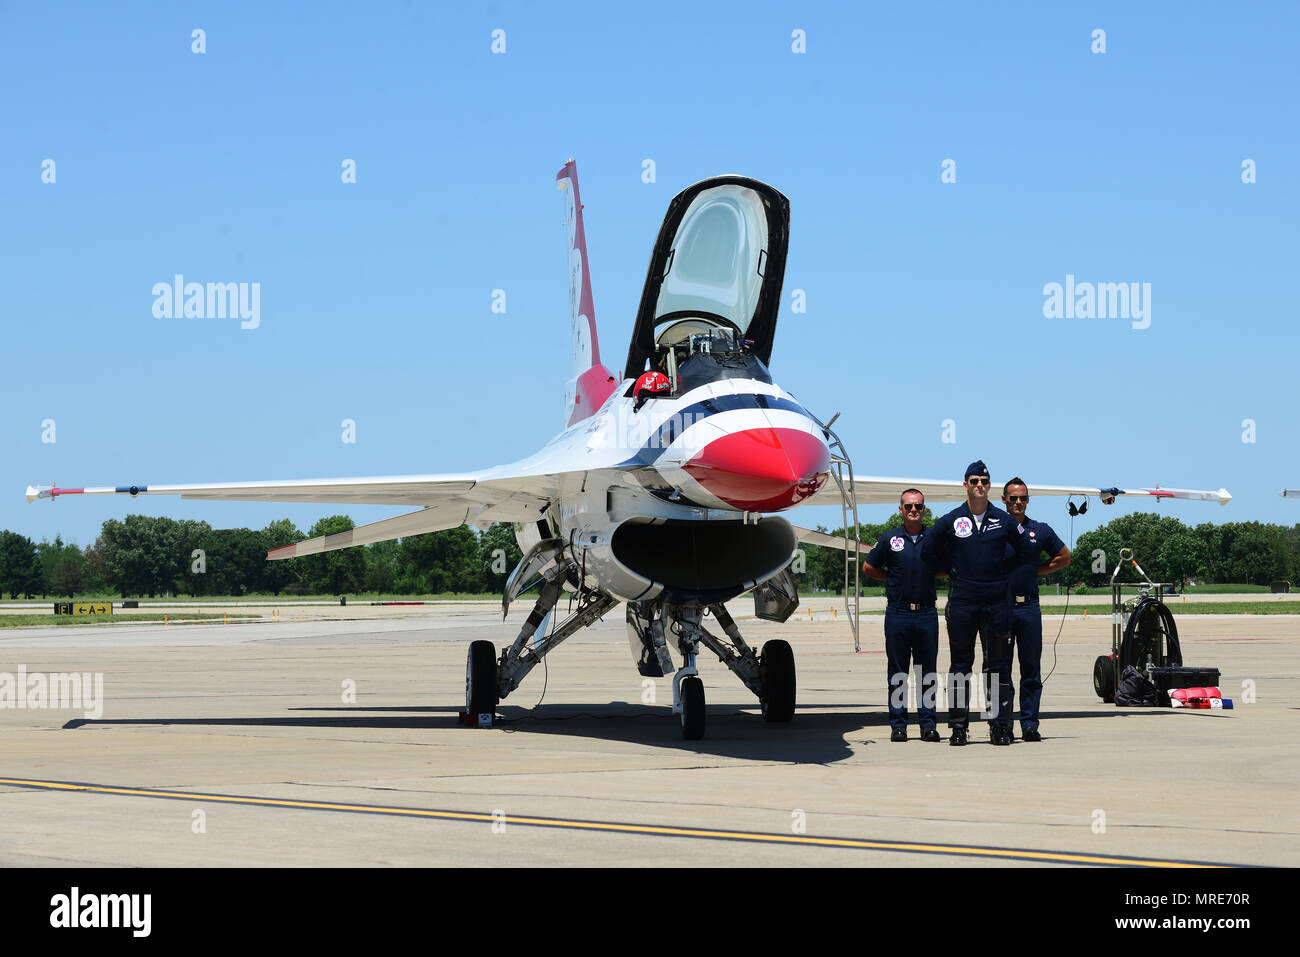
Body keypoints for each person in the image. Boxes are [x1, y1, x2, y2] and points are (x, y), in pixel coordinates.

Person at [922, 460, 1025, 746]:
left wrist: (1000, 572)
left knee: (996, 667)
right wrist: (953, 569)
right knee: (960, 667)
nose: (979, 485)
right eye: (974, 481)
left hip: (996, 603)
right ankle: (958, 727)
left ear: (989, 485)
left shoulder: (1003, 521)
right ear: (965, 484)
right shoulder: (952, 520)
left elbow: (1023, 552)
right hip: (963, 602)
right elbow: (929, 552)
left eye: (984, 481)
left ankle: (999, 727)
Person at [862, 489, 945, 742]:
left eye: (918, 506)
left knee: (927, 673)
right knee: (898, 672)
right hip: (898, 613)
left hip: (926, 613)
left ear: (924, 509)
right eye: (909, 506)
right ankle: (898, 724)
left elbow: (948, 566)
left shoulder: (935, 539)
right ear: (900, 509)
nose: (913, 510)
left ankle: (928, 724)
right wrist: (892, 578)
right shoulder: (890, 539)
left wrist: (928, 577)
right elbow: (869, 566)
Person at [1000, 478, 1070, 742]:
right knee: (1001, 669)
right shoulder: (995, 528)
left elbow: (1063, 557)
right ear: (1004, 500)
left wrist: (1035, 571)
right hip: (1001, 608)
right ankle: (1002, 724)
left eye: (1023, 498)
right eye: (1014, 498)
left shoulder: (1039, 530)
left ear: (1028, 501)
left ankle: (1029, 723)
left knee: (1031, 669)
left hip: (1028, 607)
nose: (1018, 502)